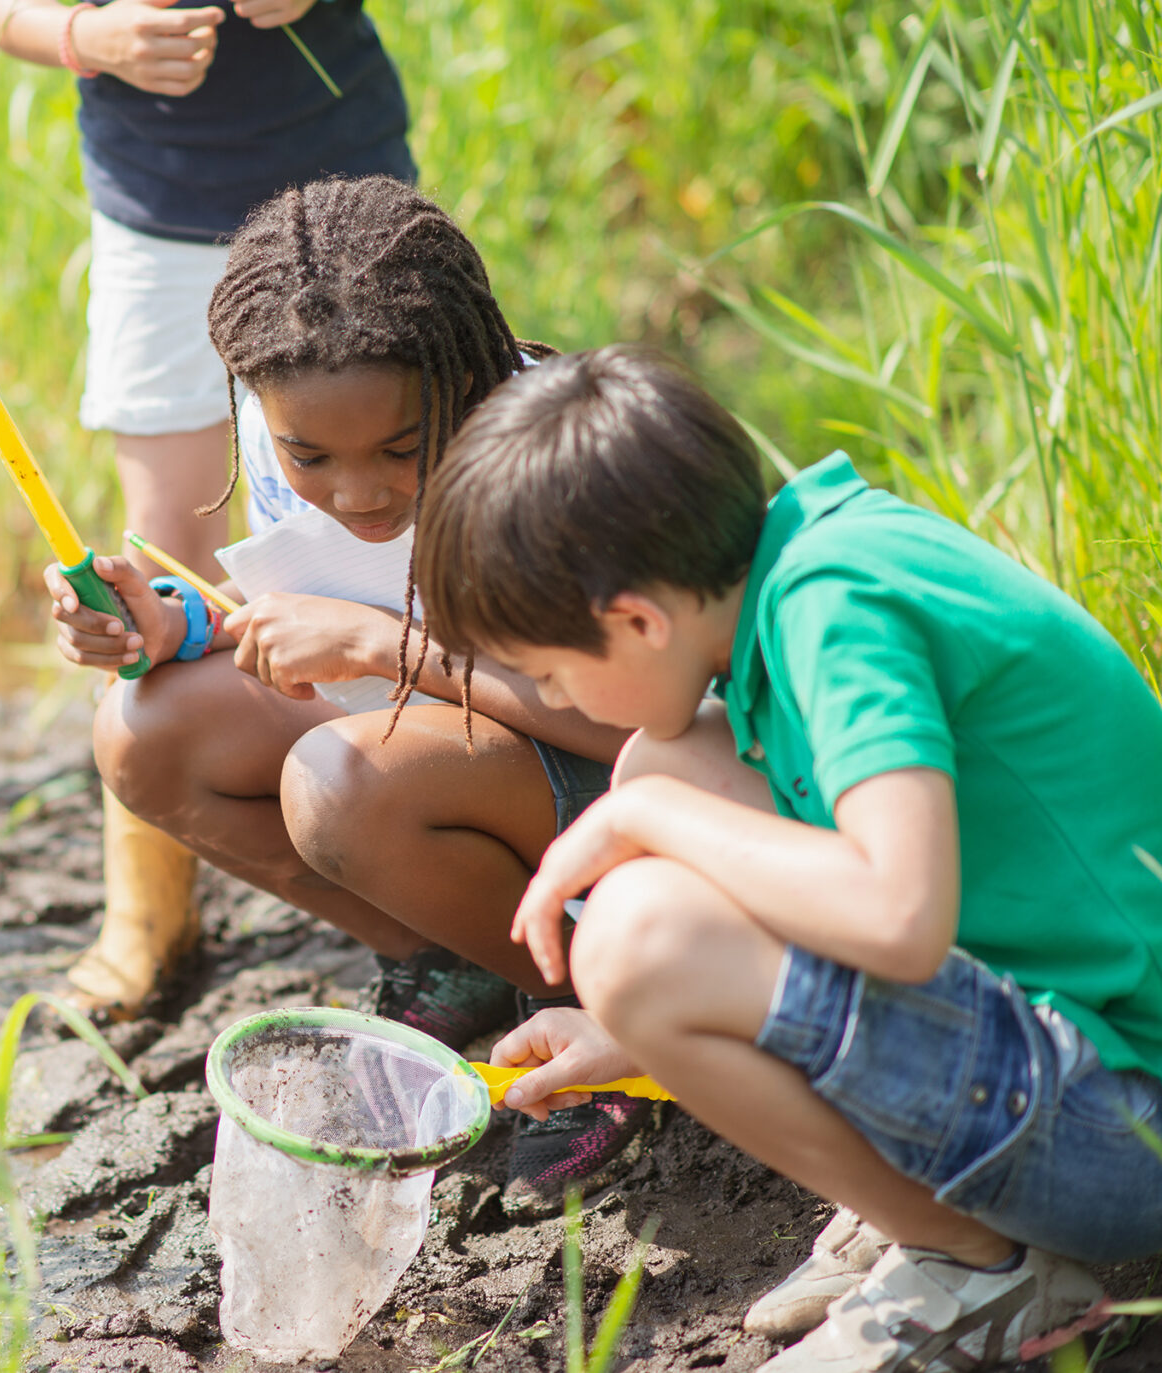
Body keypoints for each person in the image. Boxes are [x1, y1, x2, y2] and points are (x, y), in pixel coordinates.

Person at [414, 345, 1162, 1369]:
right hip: (1069, 1044)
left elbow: (897, 917)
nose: (553, 704)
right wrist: (632, 1029)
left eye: (549, 674)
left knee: (637, 923)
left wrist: (656, 832)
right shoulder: (803, 571)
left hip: (1127, 1128)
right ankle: (934, 1208)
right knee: (665, 766)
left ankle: (975, 1266)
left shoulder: (835, 612)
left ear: (633, 618)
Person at [48, 176, 655, 1218]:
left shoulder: (553, 456)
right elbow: (311, 594)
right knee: (147, 727)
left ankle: (595, 1015)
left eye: (397, 451)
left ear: (460, 376)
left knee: (337, 780)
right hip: (459, 740)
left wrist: (386, 645)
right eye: (308, 455)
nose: (355, 490)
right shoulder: (289, 427)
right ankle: (454, 956)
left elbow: (643, 721)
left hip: (623, 801)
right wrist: (177, 622)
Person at [0, 0, 418, 1023]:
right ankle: (147, 914)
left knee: (380, 502)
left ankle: (414, 804)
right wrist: (93, 41)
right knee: (162, 530)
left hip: (341, 188)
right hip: (156, 207)